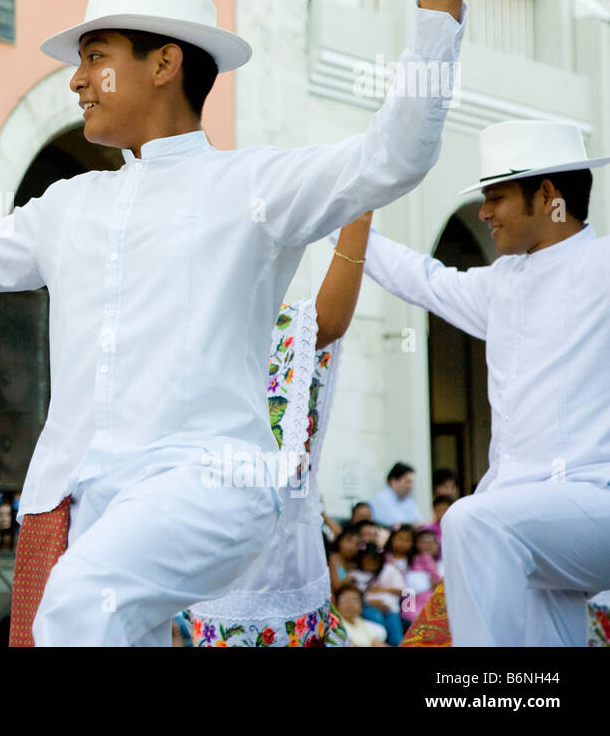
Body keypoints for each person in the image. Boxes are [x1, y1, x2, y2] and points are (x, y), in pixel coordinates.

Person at [0, 0, 475, 646]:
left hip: (207, 481)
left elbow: (394, 154)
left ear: (165, 62)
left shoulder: (252, 187)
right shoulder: (70, 204)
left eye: (95, 59)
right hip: (82, 495)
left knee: (78, 607)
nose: (76, 81)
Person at [359, 117, 610, 645]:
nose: (484, 212)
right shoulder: (499, 285)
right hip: (528, 523)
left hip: (591, 505)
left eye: (496, 195)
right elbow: (421, 279)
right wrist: (348, 216)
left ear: (547, 196)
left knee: (471, 521)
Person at [188, 214, 372, 647]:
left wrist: (359, 215)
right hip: (226, 569)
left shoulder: (280, 331)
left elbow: (327, 322)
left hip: (284, 565)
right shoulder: (186, 338)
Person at [367, 462, 422, 528]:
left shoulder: (408, 499)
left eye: (411, 482)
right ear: (393, 481)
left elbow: (419, 523)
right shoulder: (381, 499)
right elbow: (396, 525)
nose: (410, 486)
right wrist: (412, 525)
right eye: (407, 482)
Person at [334, 582, 388, 647]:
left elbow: (377, 643)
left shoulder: (360, 622)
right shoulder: (335, 623)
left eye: (354, 599)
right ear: (336, 604)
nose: (350, 604)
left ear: (361, 606)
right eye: (344, 599)